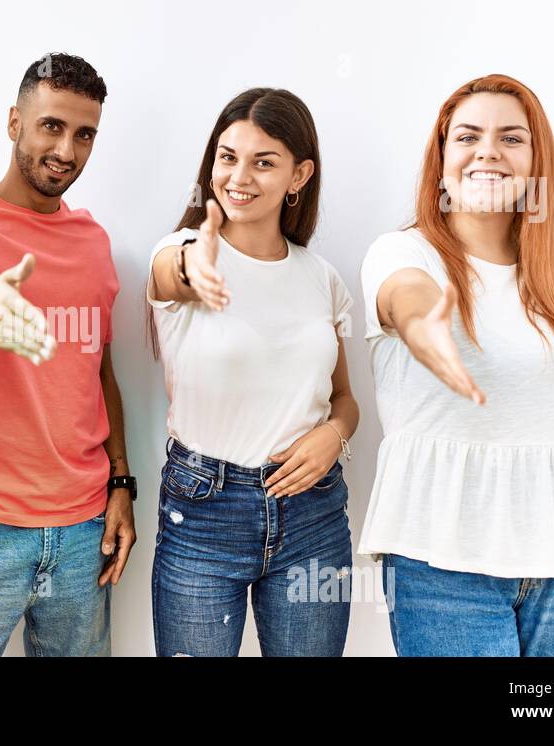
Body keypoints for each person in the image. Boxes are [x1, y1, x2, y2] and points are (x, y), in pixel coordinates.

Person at [359, 73, 554, 656]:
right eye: (467, 137)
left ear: (535, 160)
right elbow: (405, 297)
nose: (487, 152)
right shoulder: (403, 253)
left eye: (511, 138)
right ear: (443, 157)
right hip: (443, 559)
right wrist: (425, 321)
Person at [0, 52, 134, 656]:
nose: (66, 149)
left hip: (83, 528)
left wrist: (122, 481)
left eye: (84, 134)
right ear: (15, 122)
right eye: (51, 126)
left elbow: (100, 372)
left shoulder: (93, 239)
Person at [146, 88, 358, 656]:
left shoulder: (322, 278)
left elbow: (346, 400)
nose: (239, 175)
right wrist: (195, 268)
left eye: (264, 162)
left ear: (299, 175)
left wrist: (332, 436)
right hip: (205, 510)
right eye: (227, 156)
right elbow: (172, 274)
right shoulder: (183, 249)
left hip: (313, 513)